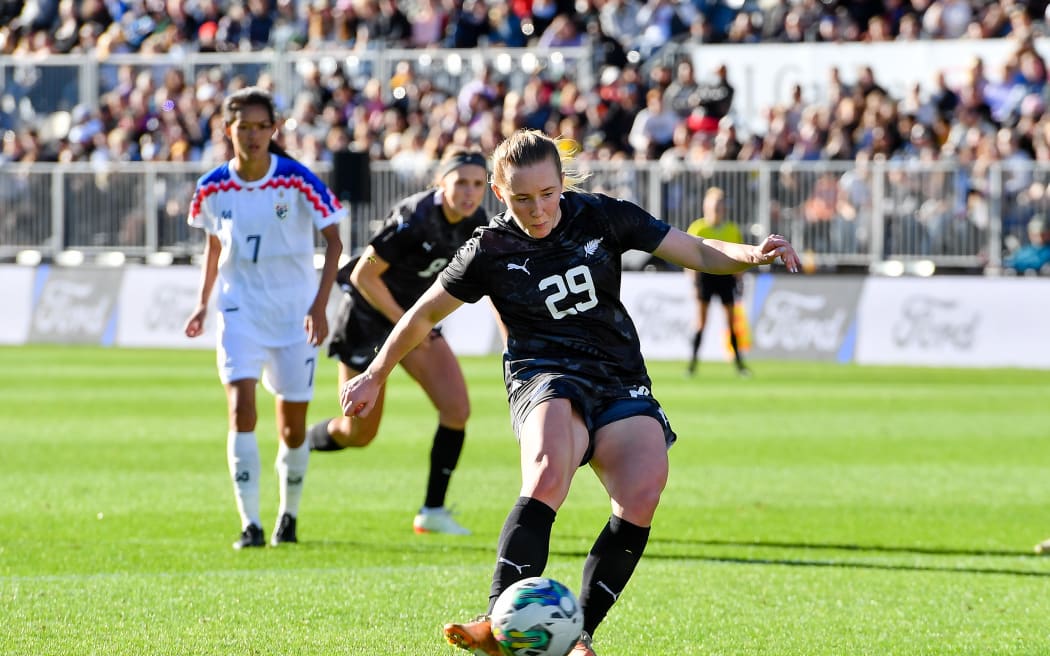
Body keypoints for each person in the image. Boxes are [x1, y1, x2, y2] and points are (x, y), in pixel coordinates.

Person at [338, 129, 800, 656]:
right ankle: (496, 619)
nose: (537, 210)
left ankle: (579, 635)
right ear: (498, 191)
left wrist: (751, 254)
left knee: (643, 492)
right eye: (521, 198)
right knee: (547, 472)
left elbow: (694, 248)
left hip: (617, 375)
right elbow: (423, 313)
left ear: (563, 183)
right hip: (543, 373)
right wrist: (376, 373)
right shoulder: (488, 248)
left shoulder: (602, 215)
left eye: (547, 194)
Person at [184, 86, 345, 550]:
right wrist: (203, 302)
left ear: (273, 129)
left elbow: (335, 240)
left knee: (292, 428)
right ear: (227, 129)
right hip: (240, 312)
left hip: (294, 316)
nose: (253, 136)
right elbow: (213, 245)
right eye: (244, 127)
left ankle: (287, 516)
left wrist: (319, 304)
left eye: (261, 127)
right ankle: (249, 524)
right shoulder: (211, 187)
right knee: (241, 410)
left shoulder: (297, 180)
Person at [306, 145, 491, 536]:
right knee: (359, 434)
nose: (470, 192)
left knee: (456, 409)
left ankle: (432, 511)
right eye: (461, 182)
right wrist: (407, 323)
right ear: (441, 182)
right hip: (367, 321)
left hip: (413, 322)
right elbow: (364, 275)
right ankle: (301, 443)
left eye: (478, 184)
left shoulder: (476, 221)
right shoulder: (413, 217)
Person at [684, 186, 750, 377]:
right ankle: (692, 364)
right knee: (701, 322)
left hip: (726, 277)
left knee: (730, 323)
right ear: (706, 207)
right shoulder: (698, 228)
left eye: (719, 206)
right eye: (714, 206)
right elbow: (687, 257)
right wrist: (694, 282)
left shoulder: (731, 229)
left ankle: (739, 364)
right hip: (705, 277)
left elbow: (739, 257)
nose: (716, 210)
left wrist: (740, 280)